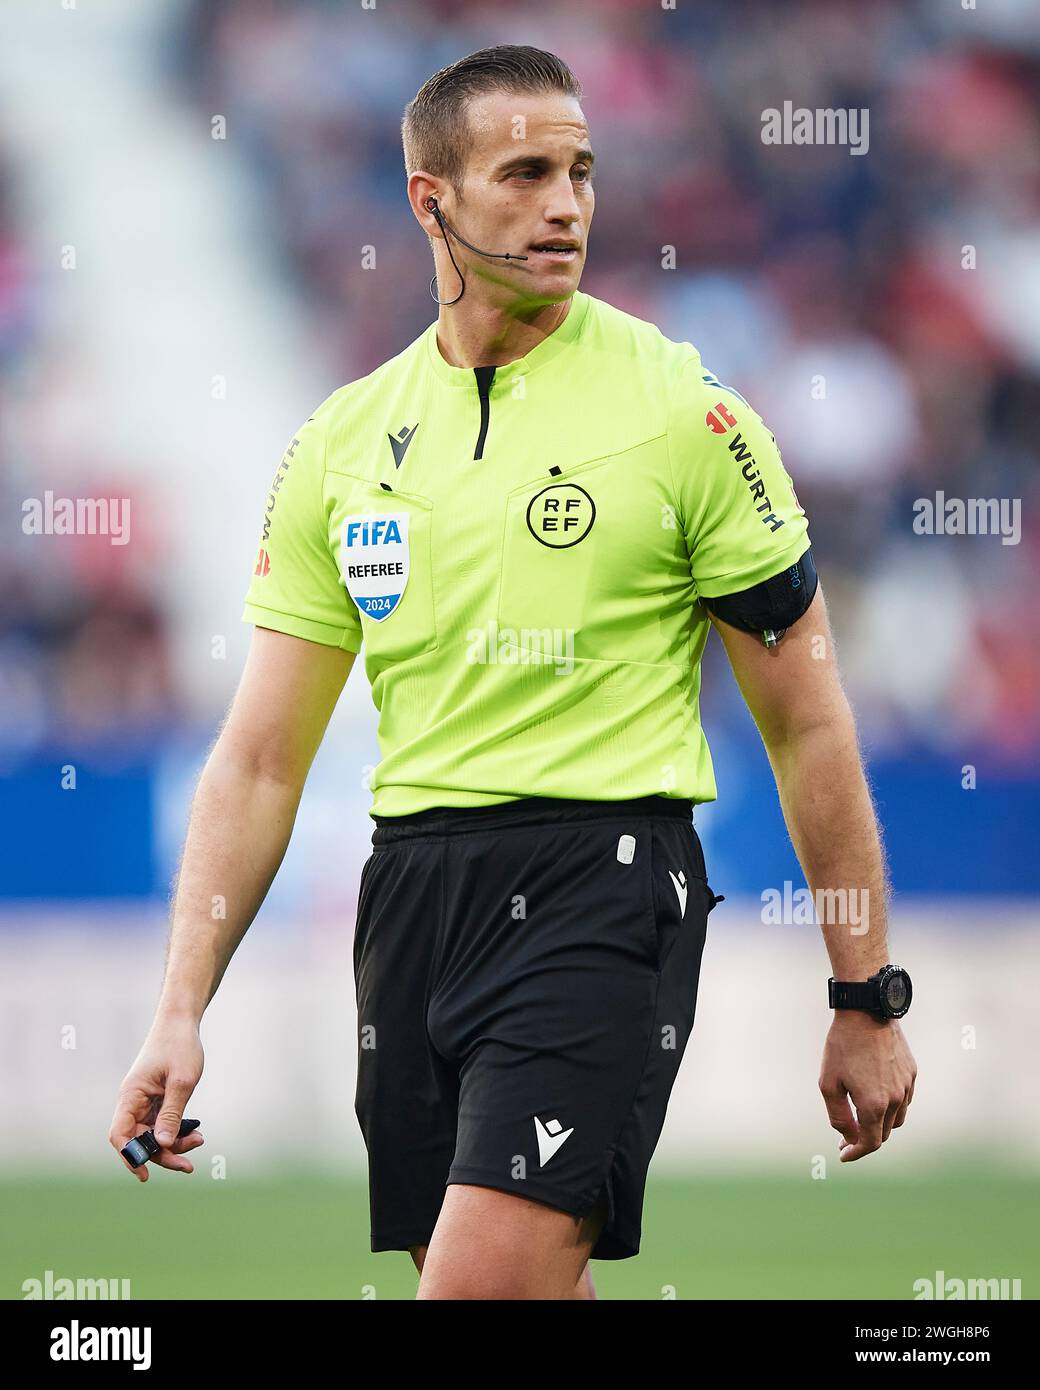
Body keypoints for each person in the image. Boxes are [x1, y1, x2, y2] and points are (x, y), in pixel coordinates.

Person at [109, 44, 916, 1302]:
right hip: (411, 904)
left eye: (582, 172)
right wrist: (180, 1006)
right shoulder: (340, 443)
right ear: (429, 201)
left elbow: (807, 725)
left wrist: (863, 989)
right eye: (526, 172)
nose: (567, 204)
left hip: (601, 889)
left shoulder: (682, 413)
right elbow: (262, 759)